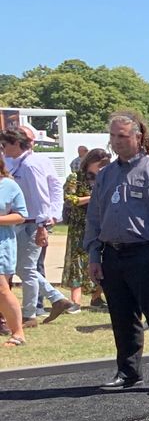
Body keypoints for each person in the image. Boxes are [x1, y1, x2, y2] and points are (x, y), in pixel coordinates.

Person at [85, 111, 149, 392]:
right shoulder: (105, 175)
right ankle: (128, 372)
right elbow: (94, 218)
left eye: (122, 136)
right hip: (112, 254)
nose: (116, 142)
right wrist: (94, 255)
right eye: (113, 136)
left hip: (145, 253)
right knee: (121, 316)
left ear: (139, 138)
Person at [0, 126, 72, 327]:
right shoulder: (17, 162)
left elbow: (42, 196)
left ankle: (30, 314)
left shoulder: (31, 165)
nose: (3, 149)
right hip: (25, 224)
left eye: (5, 145)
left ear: (16, 144)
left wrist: (43, 225)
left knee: (27, 269)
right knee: (22, 268)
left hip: (33, 223)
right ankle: (56, 299)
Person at [62, 147, 110, 310]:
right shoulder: (76, 177)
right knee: (77, 262)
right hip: (79, 226)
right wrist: (92, 198)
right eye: (99, 163)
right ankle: (75, 301)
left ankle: (96, 297)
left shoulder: (106, 178)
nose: (101, 166)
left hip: (100, 224)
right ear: (90, 161)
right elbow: (69, 199)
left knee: (101, 261)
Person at [0, 160, 27, 346]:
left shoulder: (8, 185)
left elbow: (20, 215)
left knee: (2, 289)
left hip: (2, 243)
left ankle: (18, 333)